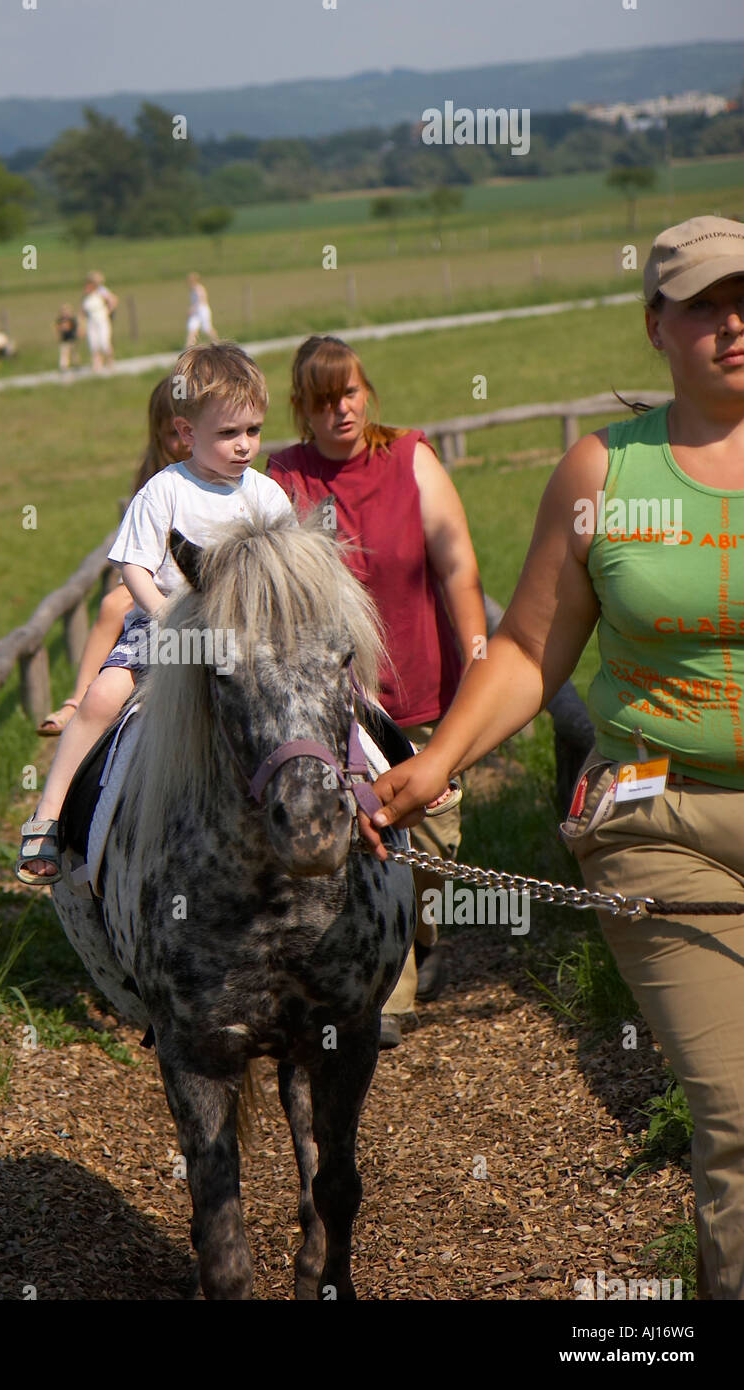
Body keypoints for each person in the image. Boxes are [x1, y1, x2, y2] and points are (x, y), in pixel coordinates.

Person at [362, 216, 744, 1298]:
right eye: (706, 304)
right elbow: (529, 648)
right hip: (662, 829)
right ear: (654, 326)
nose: (734, 321)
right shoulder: (602, 472)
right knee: (739, 1123)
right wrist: (435, 764)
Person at [267, 335, 486, 1047]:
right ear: (303, 410)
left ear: (369, 393)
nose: (342, 411)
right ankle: (387, 986)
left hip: (422, 694)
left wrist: (479, 656)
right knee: (363, 841)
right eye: (324, 401)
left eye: (351, 393)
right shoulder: (285, 479)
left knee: (433, 843)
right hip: (339, 707)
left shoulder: (412, 460)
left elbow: (457, 566)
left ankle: (417, 938)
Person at [17, 342, 295, 883]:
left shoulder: (266, 495)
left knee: (321, 685)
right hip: (168, 630)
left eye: (254, 431)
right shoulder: (163, 491)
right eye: (228, 434)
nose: (244, 446)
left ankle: (372, 770)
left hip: (250, 633)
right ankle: (49, 815)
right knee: (100, 698)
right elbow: (135, 570)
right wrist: (167, 613)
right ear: (187, 432)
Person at [37, 377, 189, 736]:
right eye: (172, 434)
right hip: (155, 575)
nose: (182, 443)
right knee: (111, 606)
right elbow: (140, 546)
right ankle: (78, 700)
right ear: (158, 435)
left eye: (188, 431)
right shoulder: (154, 479)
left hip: (194, 578)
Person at [80, 273, 116, 372]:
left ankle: (110, 362)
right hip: (91, 322)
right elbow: (82, 312)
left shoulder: (101, 291)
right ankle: (97, 364)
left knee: (104, 342)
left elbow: (113, 300)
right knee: (93, 344)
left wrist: (107, 312)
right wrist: (82, 325)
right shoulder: (85, 297)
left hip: (101, 320)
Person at [185, 272, 218, 347]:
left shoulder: (199, 288)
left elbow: (202, 300)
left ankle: (217, 343)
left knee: (207, 328)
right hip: (195, 312)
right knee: (192, 328)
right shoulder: (192, 289)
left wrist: (192, 308)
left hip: (202, 311)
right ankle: (188, 348)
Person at [54, 303, 79, 372]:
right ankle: (64, 366)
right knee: (64, 352)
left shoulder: (72, 319)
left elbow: (75, 328)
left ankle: (76, 365)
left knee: (73, 353)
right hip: (64, 339)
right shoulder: (60, 320)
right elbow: (57, 328)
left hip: (72, 339)